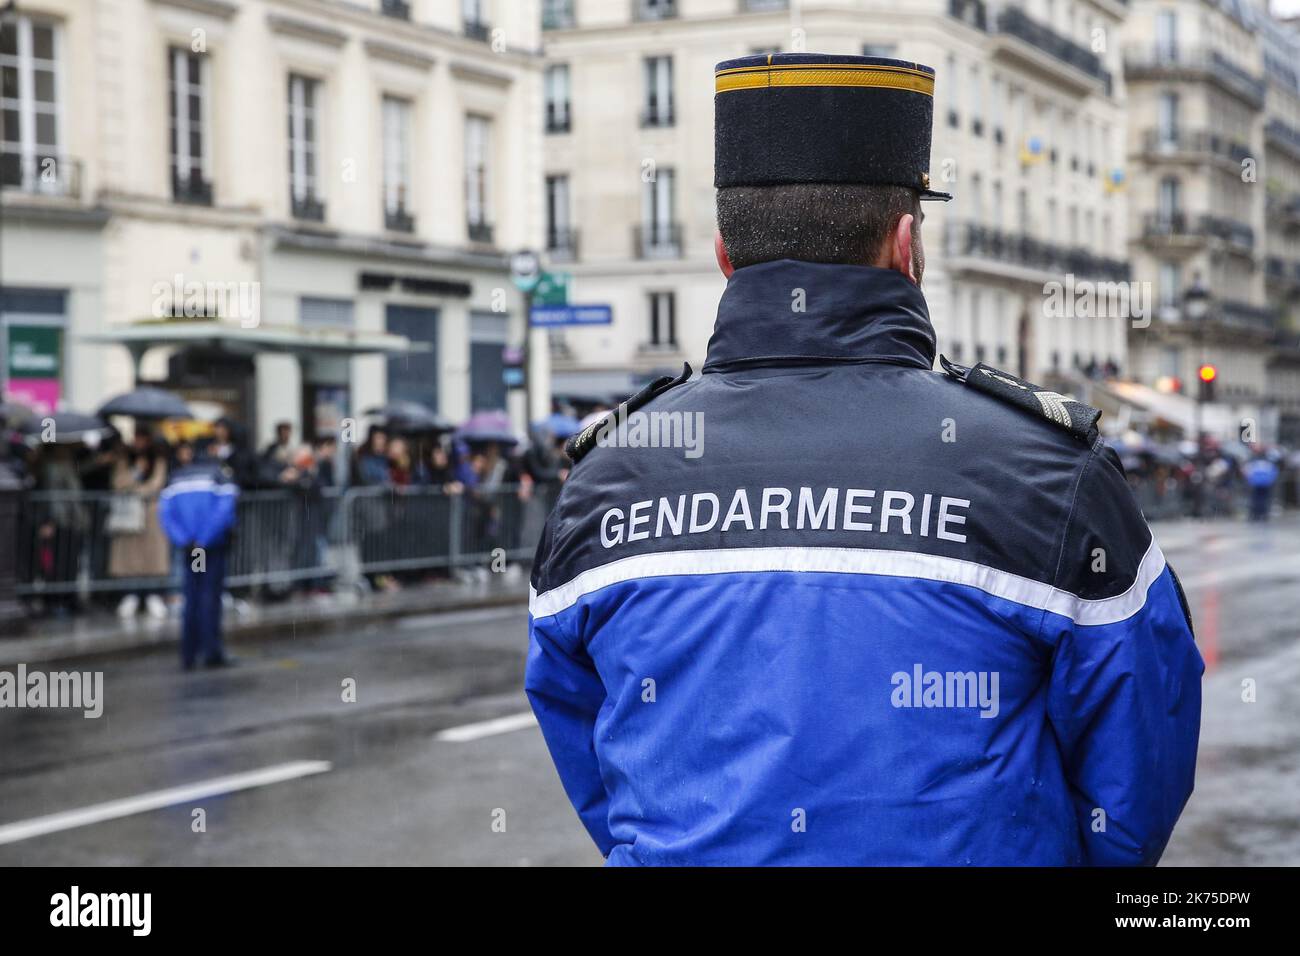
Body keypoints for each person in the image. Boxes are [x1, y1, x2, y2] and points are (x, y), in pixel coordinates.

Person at [525, 53, 1203, 866]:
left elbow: (596, 759)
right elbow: (1137, 777)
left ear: (722, 254)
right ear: (907, 243)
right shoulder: (1047, 469)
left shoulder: (606, 474)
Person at [158, 449, 239, 669]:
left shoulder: (176, 477)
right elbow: (225, 511)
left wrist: (185, 540)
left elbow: (166, 514)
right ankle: (211, 651)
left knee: (192, 597)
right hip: (208, 547)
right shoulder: (219, 475)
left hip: (191, 548)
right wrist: (204, 539)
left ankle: (189, 654)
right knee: (209, 597)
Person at [107, 431, 171, 618]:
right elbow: (119, 483)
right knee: (129, 558)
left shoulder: (158, 460)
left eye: (142, 438)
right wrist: (136, 471)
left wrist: (136, 490)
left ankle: (153, 595)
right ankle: (130, 595)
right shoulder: (125, 459)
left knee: (152, 556)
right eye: (137, 438)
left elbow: (156, 483)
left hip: (151, 513)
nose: (139, 442)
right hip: (129, 514)